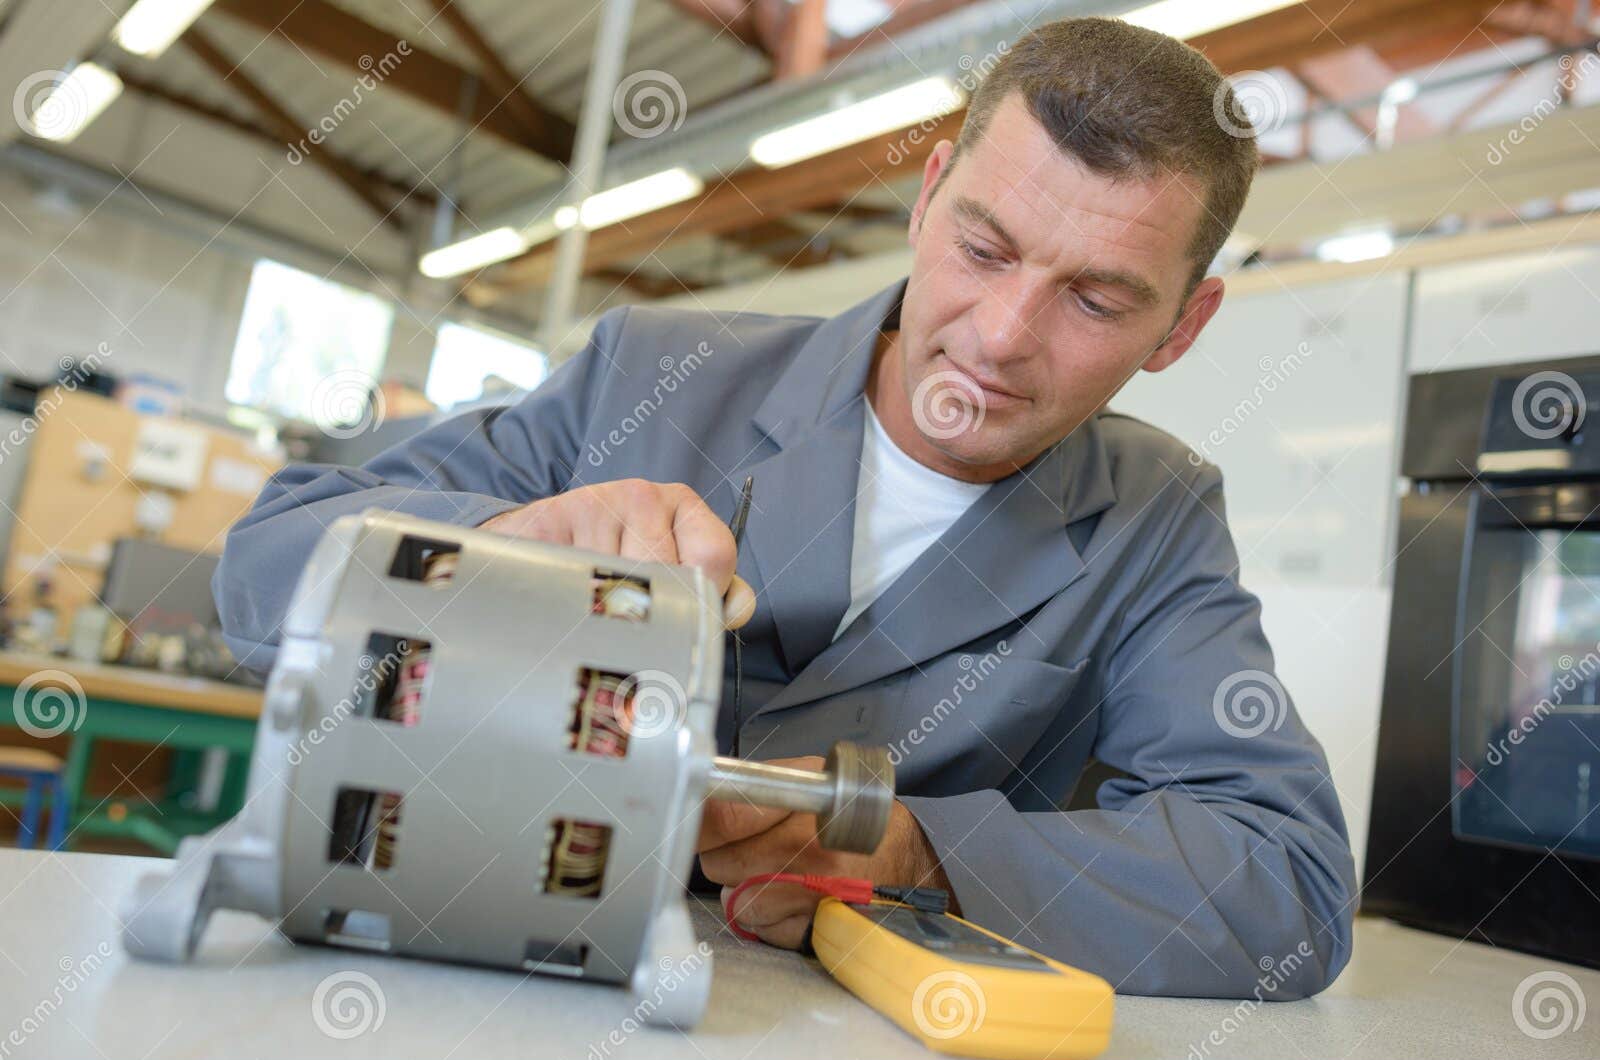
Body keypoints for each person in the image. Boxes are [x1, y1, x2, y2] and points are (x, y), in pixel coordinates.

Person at [216, 17, 1356, 998]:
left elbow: (1287, 884)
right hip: (485, 987)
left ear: (1181, 328)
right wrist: (500, 553)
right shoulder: (650, 373)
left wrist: (914, 851)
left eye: (1097, 300)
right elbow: (264, 566)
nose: (1003, 335)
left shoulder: (1152, 521)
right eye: (982, 248)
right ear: (927, 198)